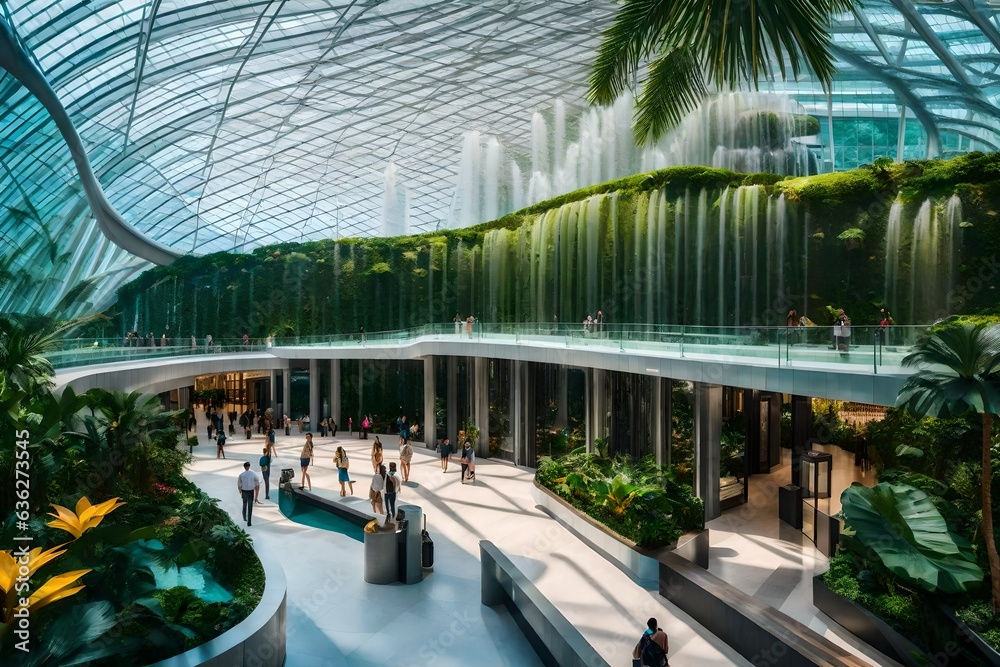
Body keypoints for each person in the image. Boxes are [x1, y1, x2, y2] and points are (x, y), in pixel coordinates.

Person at [237, 462, 261, 527]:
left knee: (244, 504)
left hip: (244, 491)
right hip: (251, 491)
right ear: (249, 466)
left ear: (244, 467)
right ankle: (249, 521)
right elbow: (257, 482)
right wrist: (256, 493)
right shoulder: (253, 474)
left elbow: (239, 484)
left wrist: (240, 490)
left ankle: (244, 517)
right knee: (250, 505)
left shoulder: (241, 475)